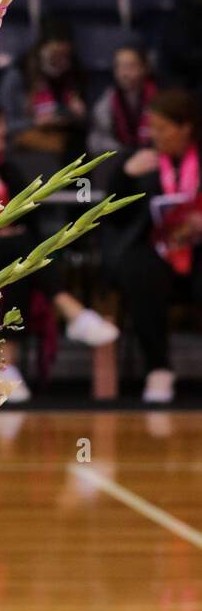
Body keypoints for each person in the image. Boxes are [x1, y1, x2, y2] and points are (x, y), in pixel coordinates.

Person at [0, 95, 118, 404]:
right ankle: (71, 310)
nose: (3, 130)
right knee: (19, 250)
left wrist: (8, 232)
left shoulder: (5, 168)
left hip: (1, 256)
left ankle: (7, 367)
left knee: (19, 265)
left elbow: (33, 213)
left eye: (3, 122)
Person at [103, 88, 202, 403]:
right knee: (139, 269)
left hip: (197, 249)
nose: (154, 135)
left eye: (162, 128)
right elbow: (112, 216)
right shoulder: (140, 160)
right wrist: (124, 175)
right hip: (154, 246)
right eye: (151, 127)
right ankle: (158, 368)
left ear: (185, 128)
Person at [0, 18, 88, 157]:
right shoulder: (19, 74)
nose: (60, 61)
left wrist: (79, 114)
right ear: (42, 50)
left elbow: (90, 121)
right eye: (55, 55)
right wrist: (35, 122)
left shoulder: (74, 73)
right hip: (26, 147)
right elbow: (5, 125)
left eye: (64, 55)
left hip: (66, 140)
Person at [88, 43, 157, 157]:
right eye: (119, 66)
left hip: (152, 156)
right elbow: (97, 142)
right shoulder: (106, 100)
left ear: (145, 67)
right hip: (118, 156)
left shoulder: (159, 97)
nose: (124, 73)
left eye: (131, 66)